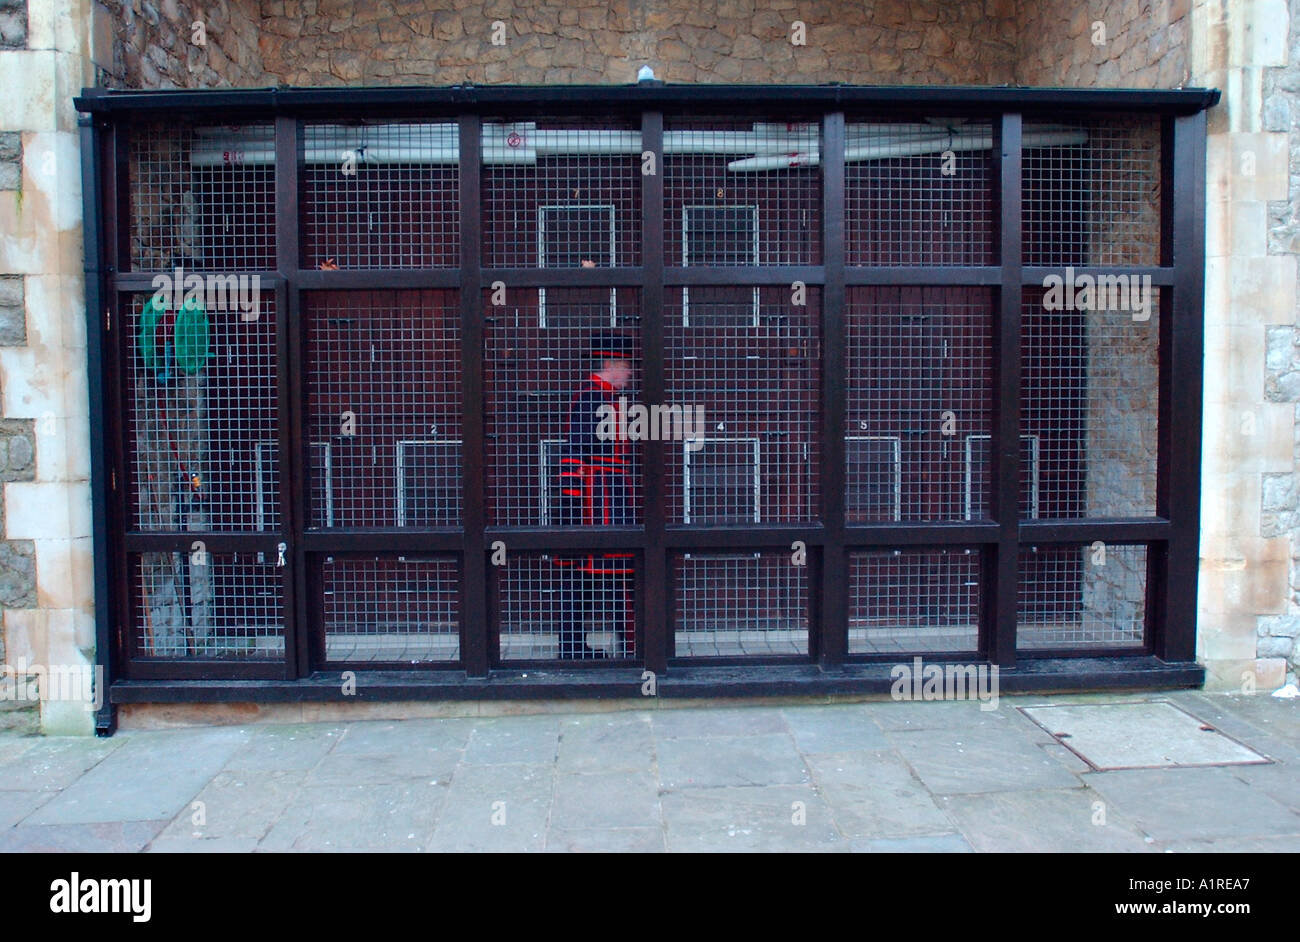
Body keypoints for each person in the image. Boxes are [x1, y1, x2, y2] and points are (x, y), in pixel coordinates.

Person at [553, 332, 637, 659]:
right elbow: (575, 453)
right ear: (613, 365)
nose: (629, 375)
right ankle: (577, 647)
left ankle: (616, 644)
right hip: (596, 499)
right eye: (626, 367)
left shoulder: (604, 397)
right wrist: (574, 502)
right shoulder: (591, 397)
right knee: (583, 576)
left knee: (606, 574)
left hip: (605, 497)